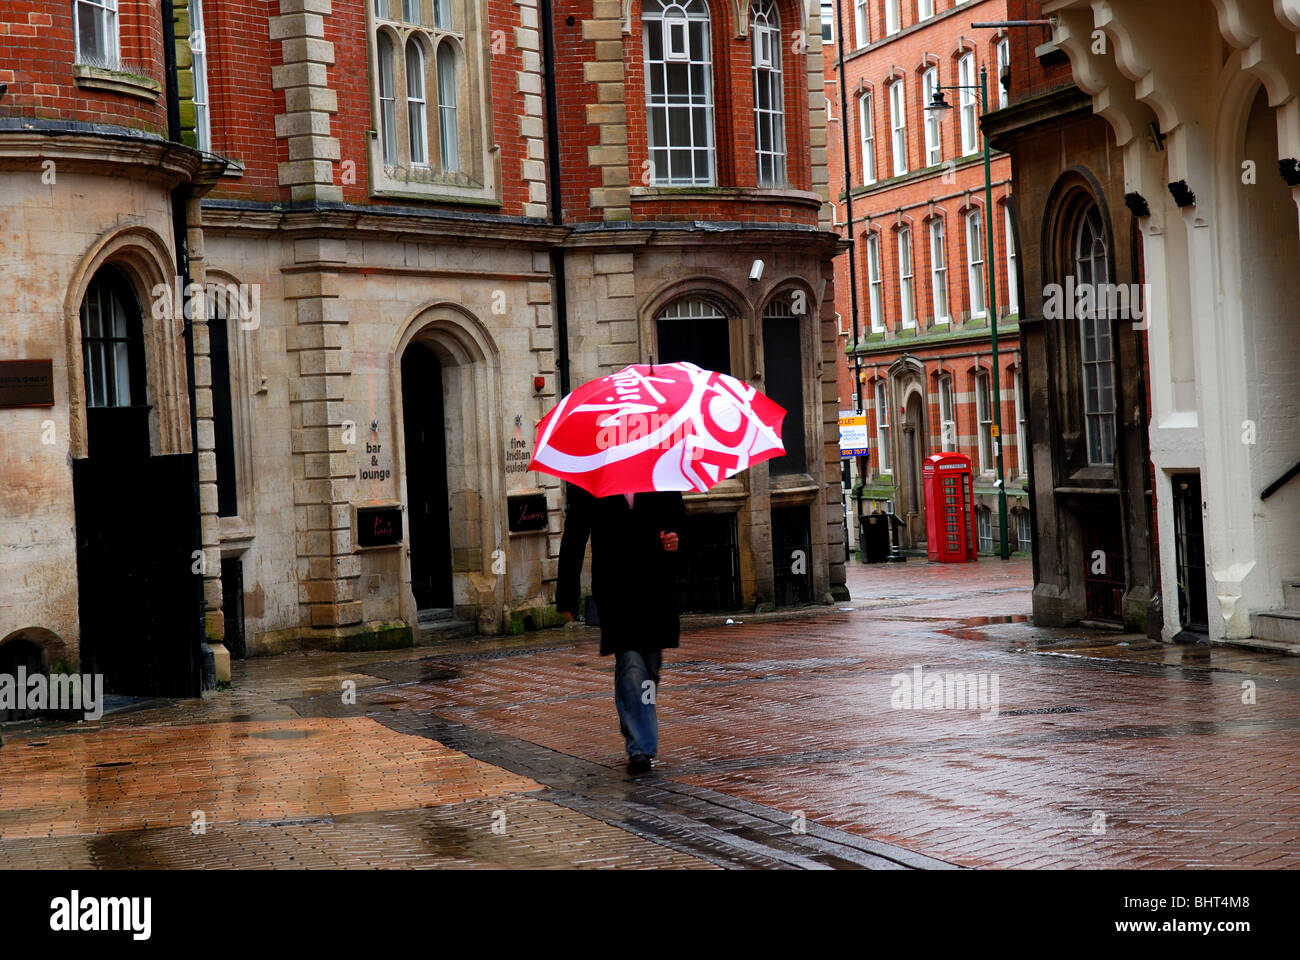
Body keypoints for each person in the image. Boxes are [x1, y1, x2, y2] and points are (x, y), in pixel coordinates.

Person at [556, 483, 686, 775]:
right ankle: (640, 747)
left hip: (655, 587)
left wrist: (676, 542)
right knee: (630, 663)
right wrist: (567, 594)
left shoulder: (658, 473)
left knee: (650, 667)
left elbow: (680, 523)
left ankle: (636, 726)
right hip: (616, 589)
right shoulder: (593, 478)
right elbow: (575, 533)